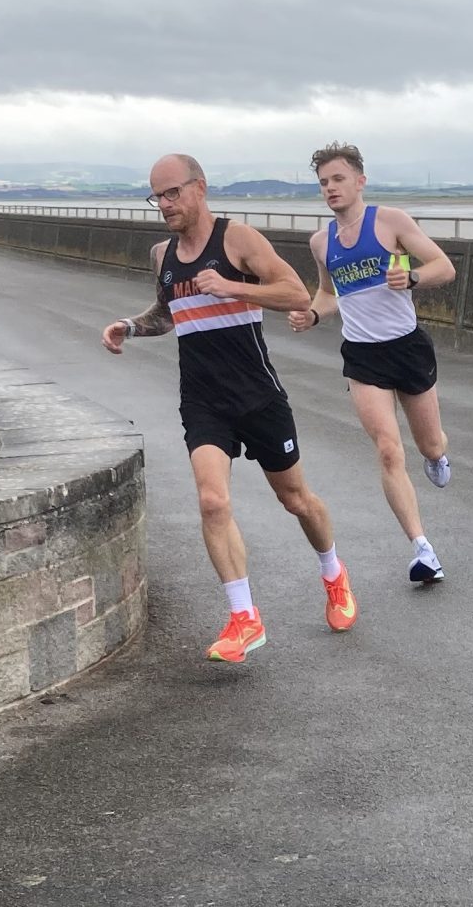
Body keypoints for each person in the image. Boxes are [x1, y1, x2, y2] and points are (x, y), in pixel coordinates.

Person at [102, 153, 357, 662]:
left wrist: (231, 286)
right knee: (212, 501)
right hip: (203, 400)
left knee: (296, 499)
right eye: (157, 197)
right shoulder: (162, 254)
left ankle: (333, 574)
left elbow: (296, 294)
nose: (165, 205)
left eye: (173, 193)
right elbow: (167, 312)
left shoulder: (237, 239)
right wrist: (130, 326)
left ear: (199, 187)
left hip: (257, 395)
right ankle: (244, 618)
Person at [288, 142, 456, 584]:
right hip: (362, 356)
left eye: (338, 179)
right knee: (387, 449)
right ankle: (422, 549)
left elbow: (444, 267)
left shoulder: (390, 221)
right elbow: (329, 294)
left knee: (429, 445)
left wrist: (412, 277)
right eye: (323, 182)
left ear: (360, 181)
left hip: (407, 347)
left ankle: (438, 454)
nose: (330, 188)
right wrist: (312, 314)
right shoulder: (321, 242)